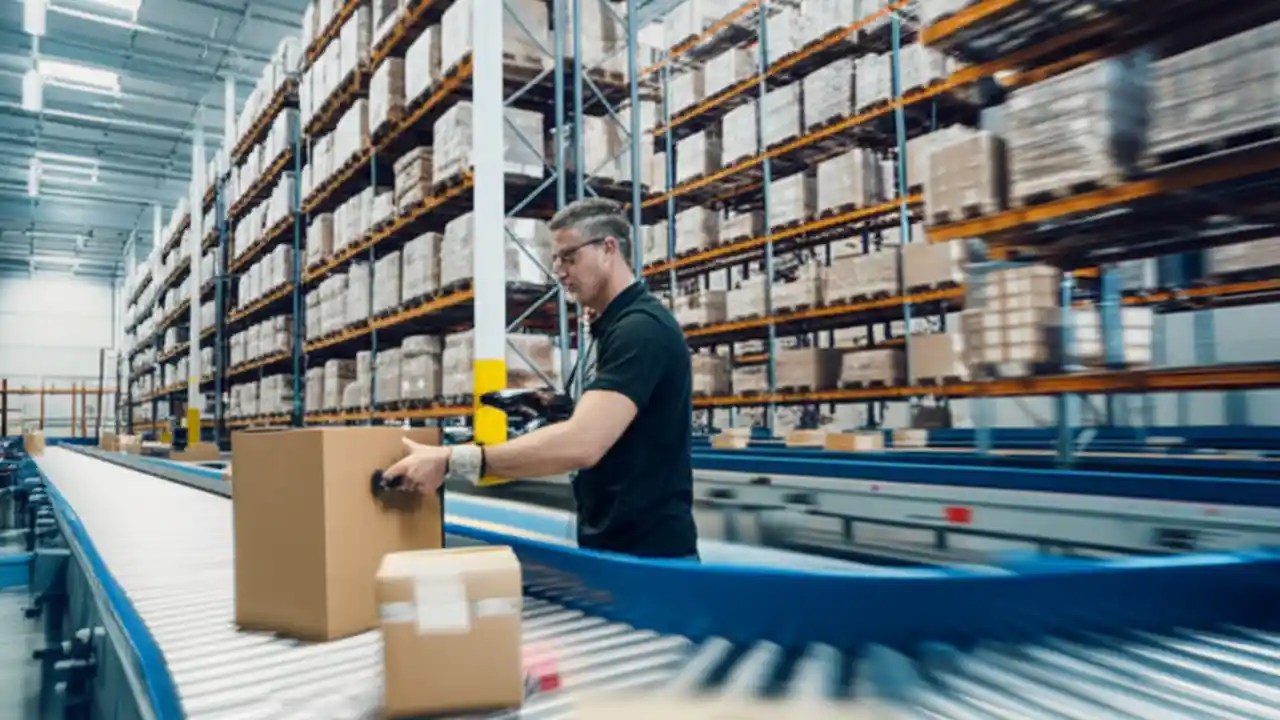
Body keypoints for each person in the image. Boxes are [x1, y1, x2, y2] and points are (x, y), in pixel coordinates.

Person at [383, 198, 699, 559]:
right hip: (613, 544)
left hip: (652, 557)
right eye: (556, 260)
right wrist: (551, 407)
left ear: (608, 248)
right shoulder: (607, 329)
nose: (559, 271)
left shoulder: (640, 330)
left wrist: (454, 460)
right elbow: (617, 420)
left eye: (569, 257)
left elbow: (583, 443)